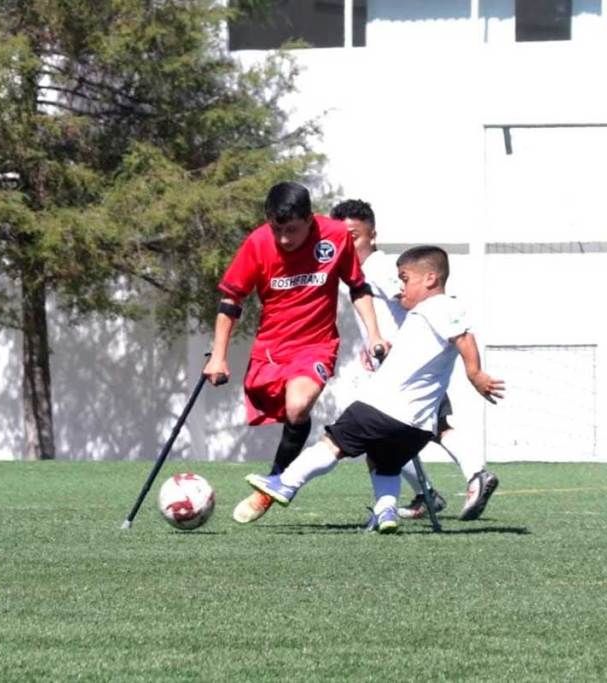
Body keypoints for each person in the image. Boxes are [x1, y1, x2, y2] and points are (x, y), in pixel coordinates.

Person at [241, 245, 506, 533]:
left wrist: (475, 373)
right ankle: (385, 511)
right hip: (418, 427)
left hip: (381, 409)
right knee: (385, 463)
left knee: (332, 445)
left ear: (430, 279)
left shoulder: (440, 305)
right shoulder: (425, 314)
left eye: (405, 279)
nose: (401, 287)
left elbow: (463, 336)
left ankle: (286, 482)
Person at [202, 182, 389, 524]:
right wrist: (218, 355)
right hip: (271, 349)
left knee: (298, 405)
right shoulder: (258, 243)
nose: (285, 239)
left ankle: (275, 482)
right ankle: (277, 480)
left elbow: (357, 287)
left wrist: (373, 335)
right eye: (278, 229)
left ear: (310, 220)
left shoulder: (335, 236)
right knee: (282, 407)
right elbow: (231, 300)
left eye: (292, 230)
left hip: (316, 345)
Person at [330, 199, 501, 521]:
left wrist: (388, 340)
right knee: (384, 439)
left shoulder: (378, 269)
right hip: (392, 370)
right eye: (339, 237)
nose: (346, 243)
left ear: (373, 235)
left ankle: (475, 474)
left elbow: (414, 298)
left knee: (436, 426)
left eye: (353, 236)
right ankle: (429, 495)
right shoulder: (356, 272)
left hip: (410, 369)